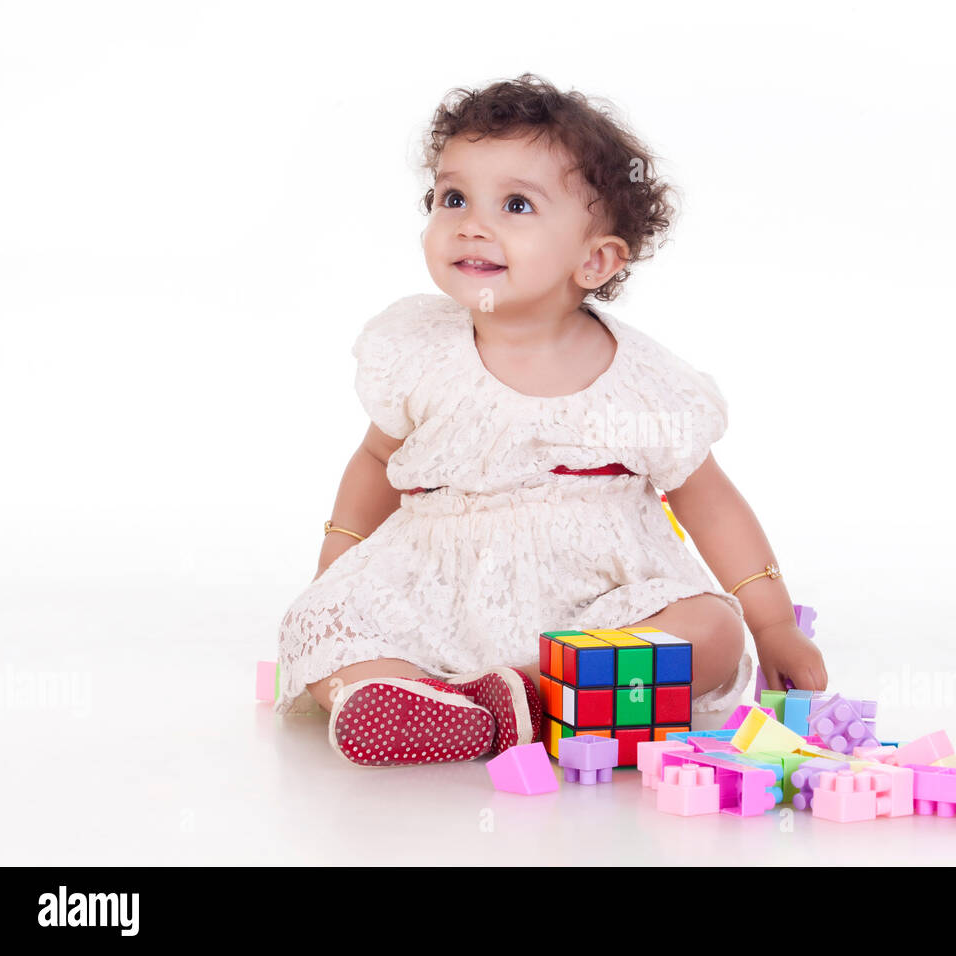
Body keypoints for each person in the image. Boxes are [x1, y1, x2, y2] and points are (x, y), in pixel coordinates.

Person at [276, 73, 827, 767]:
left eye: (515, 204)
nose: (471, 223)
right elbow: (377, 461)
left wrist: (772, 622)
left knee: (713, 629)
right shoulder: (417, 351)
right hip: (439, 582)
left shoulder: (646, 385)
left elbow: (709, 501)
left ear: (594, 260)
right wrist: (337, 569)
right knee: (319, 629)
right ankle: (435, 704)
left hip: (598, 607)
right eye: (452, 198)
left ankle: (535, 695)